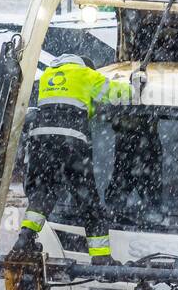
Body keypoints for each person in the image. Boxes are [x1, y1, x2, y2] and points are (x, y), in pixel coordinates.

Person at [9, 54, 130, 265]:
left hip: (41, 144)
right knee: (89, 202)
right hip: (70, 144)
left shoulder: (48, 75)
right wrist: (135, 86)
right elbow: (117, 94)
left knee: (43, 194)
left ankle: (24, 239)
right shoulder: (85, 74)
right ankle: (101, 257)